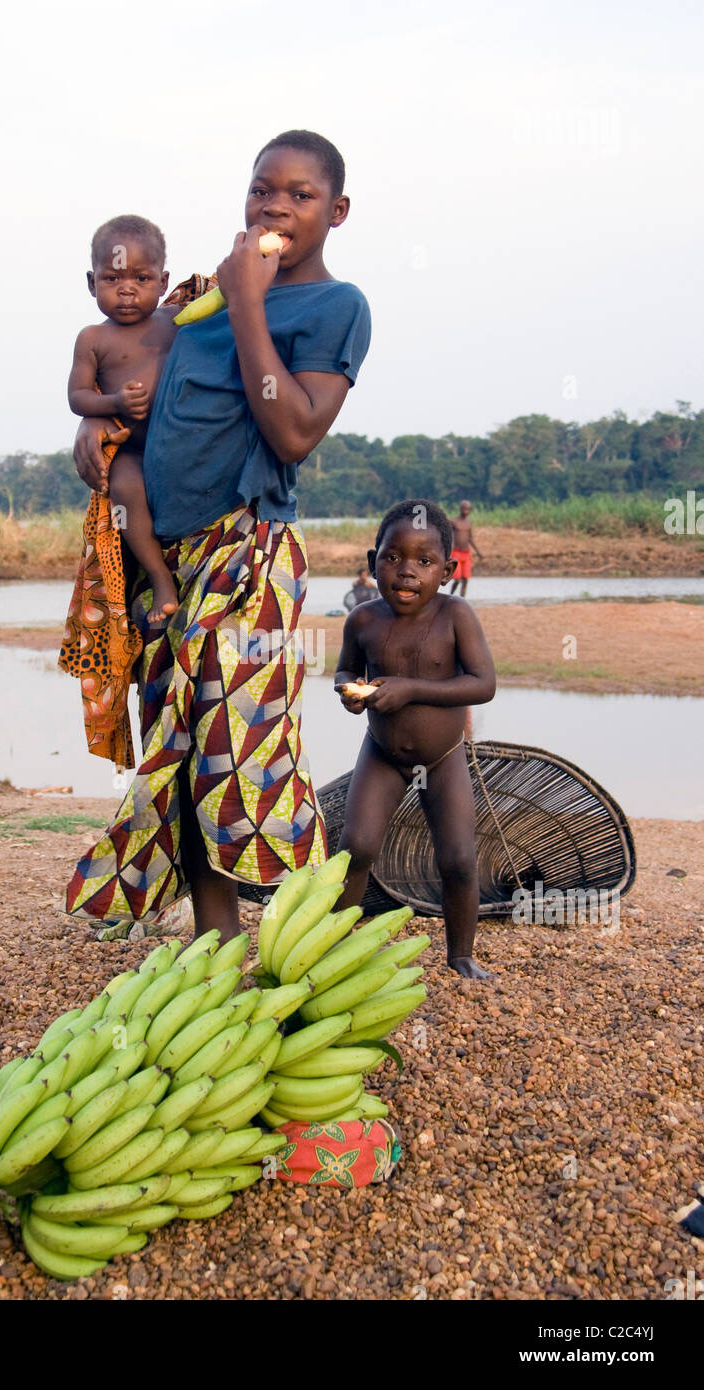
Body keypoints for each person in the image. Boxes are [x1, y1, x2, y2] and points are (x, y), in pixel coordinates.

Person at [65, 130, 372, 943]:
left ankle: (308, 945)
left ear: (336, 211)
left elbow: (295, 430)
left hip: (248, 553)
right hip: (165, 561)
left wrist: (247, 300)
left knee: (245, 751)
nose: (275, 204)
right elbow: (131, 391)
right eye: (262, 188)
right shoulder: (194, 300)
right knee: (182, 751)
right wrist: (94, 438)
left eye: (300, 194)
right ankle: (215, 949)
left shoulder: (334, 307)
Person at [333, 499, 496, 979]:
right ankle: (335, 945)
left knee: (459, 858)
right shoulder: (362, 620)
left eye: (424, 562)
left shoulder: (455, 615)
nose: (407, 572)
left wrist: (410, 689)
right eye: (393, 557)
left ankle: (461, 954)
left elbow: (482, 684)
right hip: (382, 754)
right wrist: (349, 691)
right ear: (372, 561)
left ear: (446, 571)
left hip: (442, 759)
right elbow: (346, 668)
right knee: (356, 847)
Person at [67, 215, 179, 625]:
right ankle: (159, 578)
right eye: (113, 279)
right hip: (132, 446)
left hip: (179, 445)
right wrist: (113, 401)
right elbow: (77, 397)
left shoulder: (177, 321)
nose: (127, 290)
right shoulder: (93, 339)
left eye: (142, 279)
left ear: (164, 282)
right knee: (124, 488)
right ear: (92, 283)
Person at [449, 499, 483, 598]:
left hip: (466, 553)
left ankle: (462, 600)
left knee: (466, 579)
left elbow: (470, 538)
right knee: (457, 579)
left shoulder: (469, 522)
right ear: (461, 509)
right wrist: (447, 551)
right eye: (464, 508)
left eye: (468, 509)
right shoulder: (453, 522)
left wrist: (478, 552)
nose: (466, 511)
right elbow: (449, 537)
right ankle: (450, 597)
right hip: (456, 553)